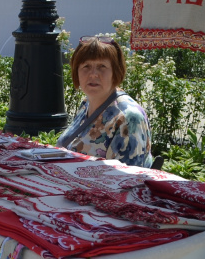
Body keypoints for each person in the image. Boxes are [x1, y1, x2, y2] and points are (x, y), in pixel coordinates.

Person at [56, 36, 153, 167]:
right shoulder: (86, 104)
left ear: (115, 71)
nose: (93, 74)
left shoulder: (128, 117)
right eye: (86, 66)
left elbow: (130, 179)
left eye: (102, 66)